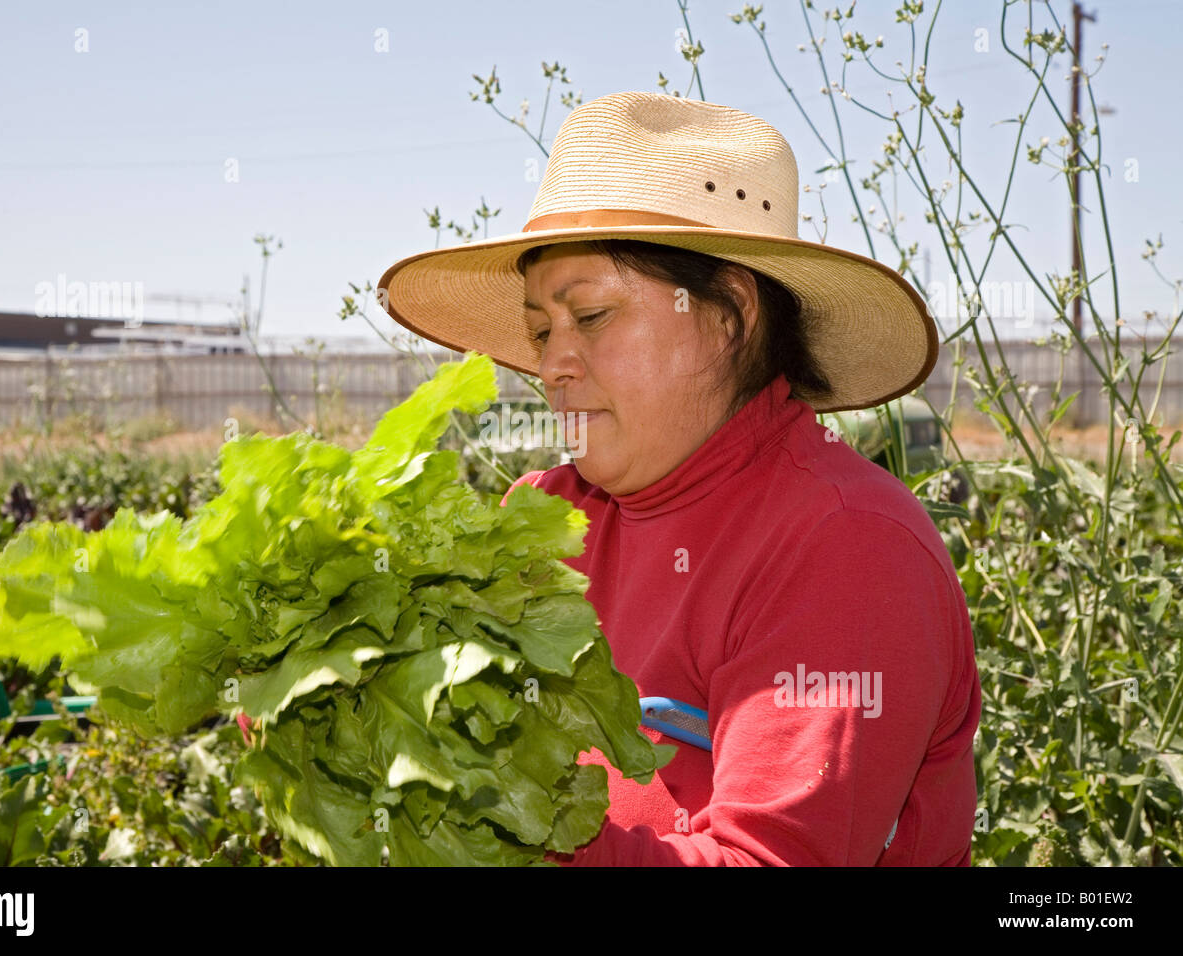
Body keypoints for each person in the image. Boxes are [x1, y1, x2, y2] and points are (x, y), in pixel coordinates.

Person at [377, 90, 981, 866]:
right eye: (538, 330)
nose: (551, 366)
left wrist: (492, 820)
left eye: (590, 316)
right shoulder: (544, 517)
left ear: (729, 312)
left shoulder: (846, 546)